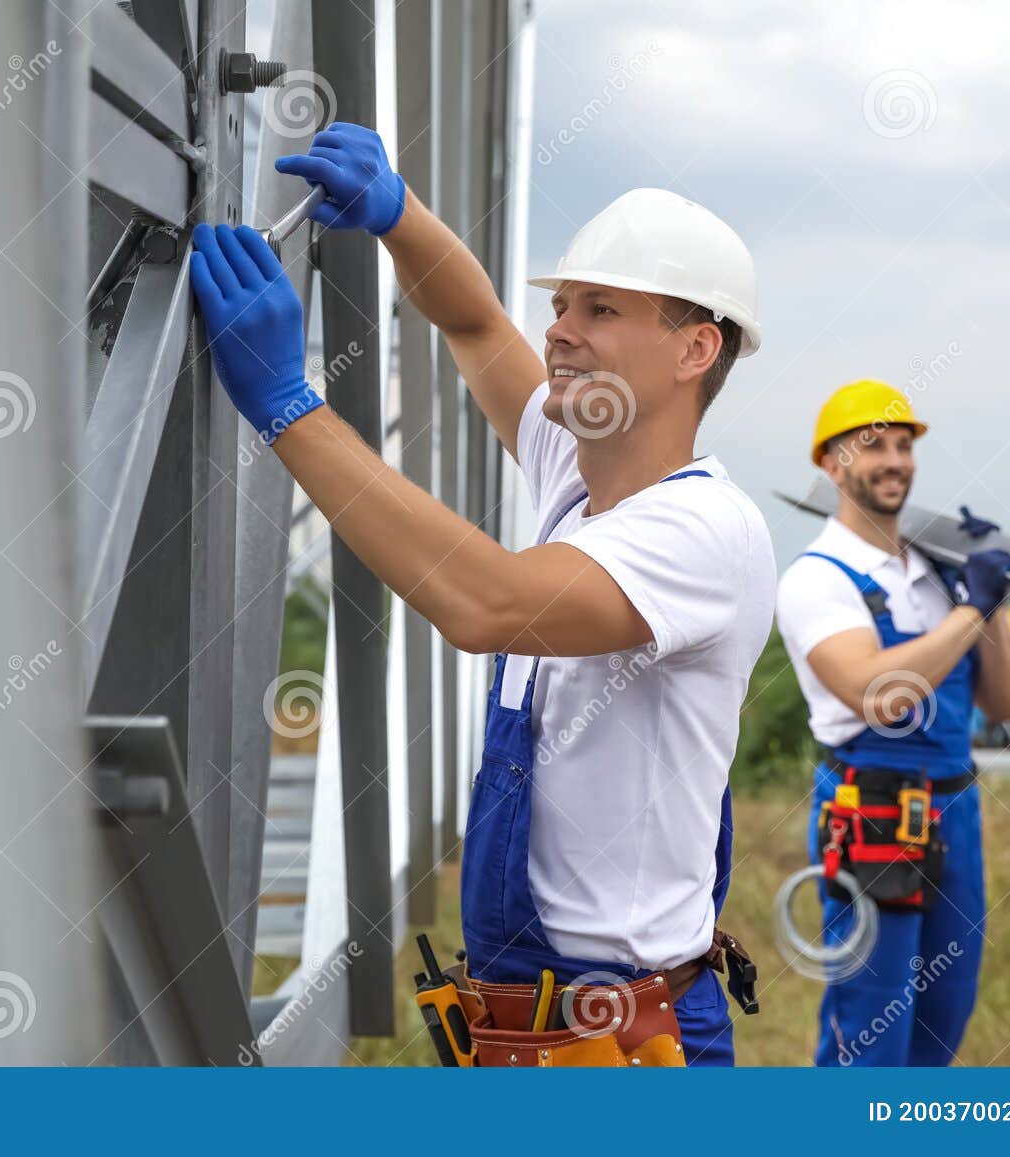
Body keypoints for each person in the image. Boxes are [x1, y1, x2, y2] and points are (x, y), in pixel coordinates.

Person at [188, 122, 775, 1065]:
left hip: (619, 1044)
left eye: (601, 310)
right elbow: (474, 325)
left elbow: (487, 602)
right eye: (564, 303)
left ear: (695, 348)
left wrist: (291, 405)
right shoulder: (575, 478)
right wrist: (398, 214)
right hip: (528, 1031)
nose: (560, 330)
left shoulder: (707, 534)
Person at [775, 380, 1010, 1066]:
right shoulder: (816, 578)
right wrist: (969, 613)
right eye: (873, 445)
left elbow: (1008, 704)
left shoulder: (937, 578)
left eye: (903, 444)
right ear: (832, 464)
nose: (894, 460)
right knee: (871, 1026)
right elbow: (879, 692)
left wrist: (991, 606)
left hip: (955, 809)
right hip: (872, 813)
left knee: (943, 1017)